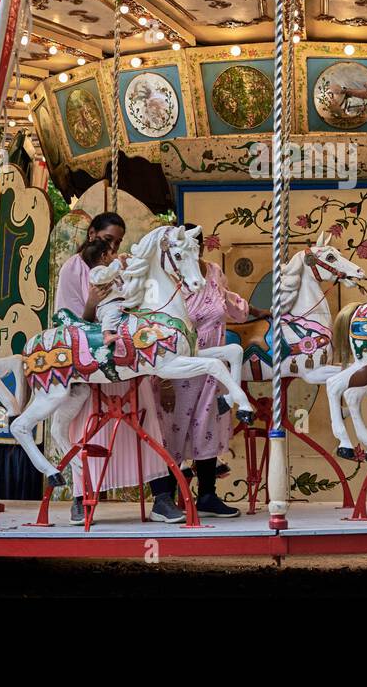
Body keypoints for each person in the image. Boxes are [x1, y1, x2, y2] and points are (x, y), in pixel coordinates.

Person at [55, 212, 173, 525]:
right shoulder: (73, 268)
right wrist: (93, 302)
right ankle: (82, 499)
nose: (113, 246)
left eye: (117, 242)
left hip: (126, 353)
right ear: (92, 233)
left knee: (147, 420)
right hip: (94, 358)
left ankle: (162, 497)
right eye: (108, 239)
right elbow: (69, 319)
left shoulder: (116, 265)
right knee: (86, 427)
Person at [153, 223, 269, 520]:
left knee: (208, 426)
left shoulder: (214, 271)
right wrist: (163, 378)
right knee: (171, 429)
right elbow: (156, 326)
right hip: (177, 366)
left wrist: (259, 312)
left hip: (210, 365)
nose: (195, 249)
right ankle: (164, 497)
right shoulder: (167, 278)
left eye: (198, 244)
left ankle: (207, 495)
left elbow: (229, 302)